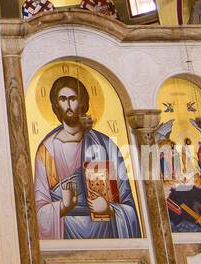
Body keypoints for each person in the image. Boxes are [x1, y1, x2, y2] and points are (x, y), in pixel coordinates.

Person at [34, 76, 140, 239]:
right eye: (63, 99)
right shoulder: (47, 150)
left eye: (73, 99)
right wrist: (64, 206)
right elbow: (38, 208)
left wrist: (109, 209)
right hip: (65, 236)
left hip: (105, 232)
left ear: (82, 102)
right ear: (56, 105)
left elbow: (128, 204)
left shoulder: (105, 145)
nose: (68, 105)